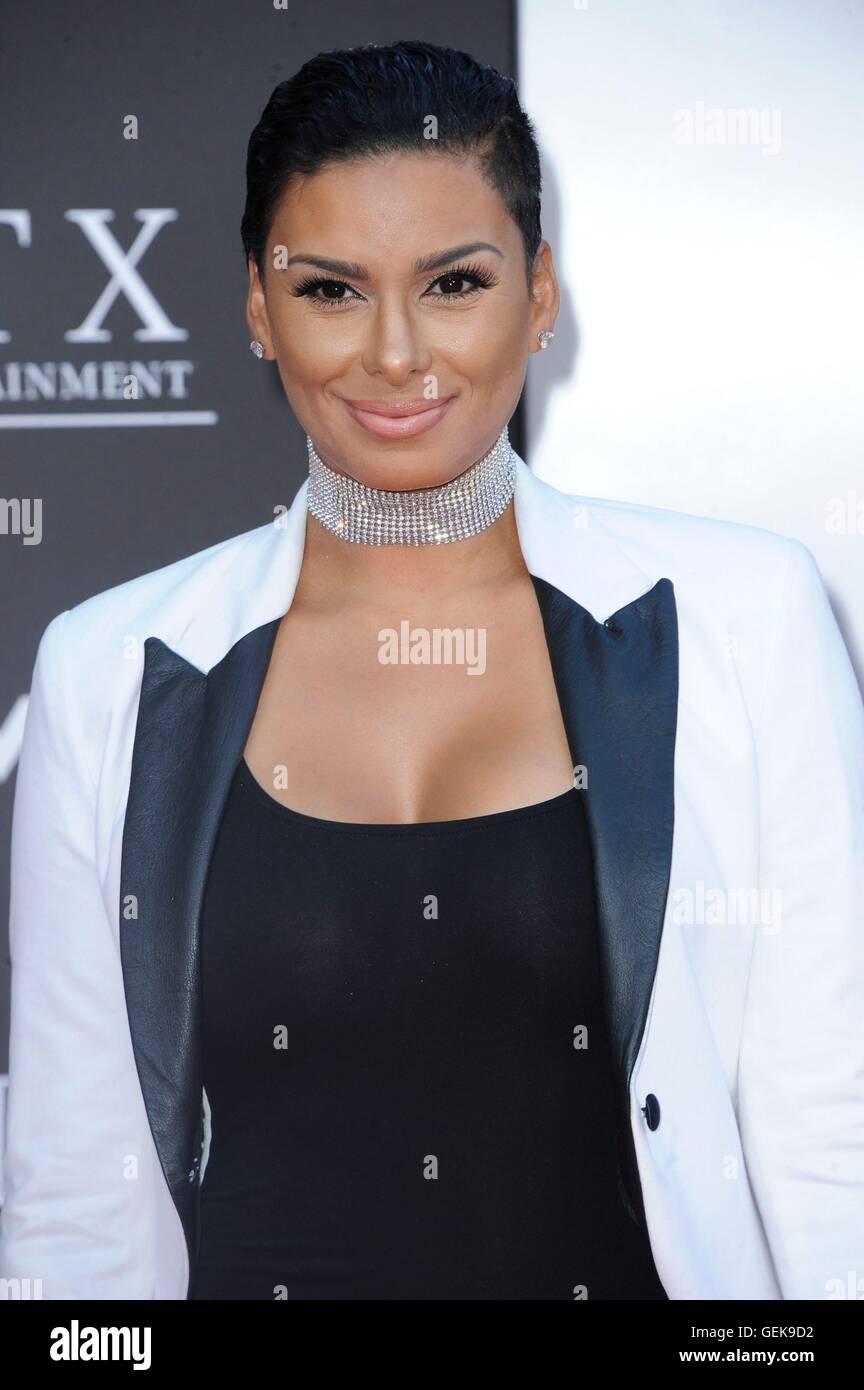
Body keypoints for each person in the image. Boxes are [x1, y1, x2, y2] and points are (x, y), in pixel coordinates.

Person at [1, 39, 863, 1302]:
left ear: (543, 291)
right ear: (256, 306)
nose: (396, 353)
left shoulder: (744, 615)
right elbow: (77, 1198)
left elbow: (827, 1128)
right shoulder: (111, 667)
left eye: (453, 282)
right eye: (332, 291)